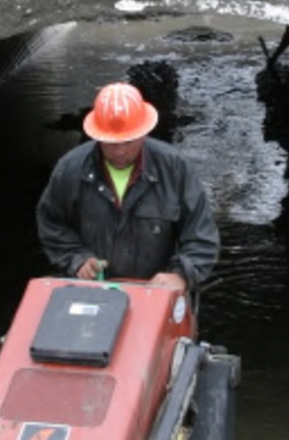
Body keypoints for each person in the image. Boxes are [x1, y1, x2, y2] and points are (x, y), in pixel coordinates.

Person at [36, 82, 219, 294]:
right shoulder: (70, 169)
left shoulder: (175, 169)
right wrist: (78, 260)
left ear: (143, 132)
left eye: (129, 141)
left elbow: (201, 236)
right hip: (94, 293)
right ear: (97, 135)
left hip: (157, 294)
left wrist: (181, 275)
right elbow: (52, 224)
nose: (120, 151)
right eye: (111, 142)